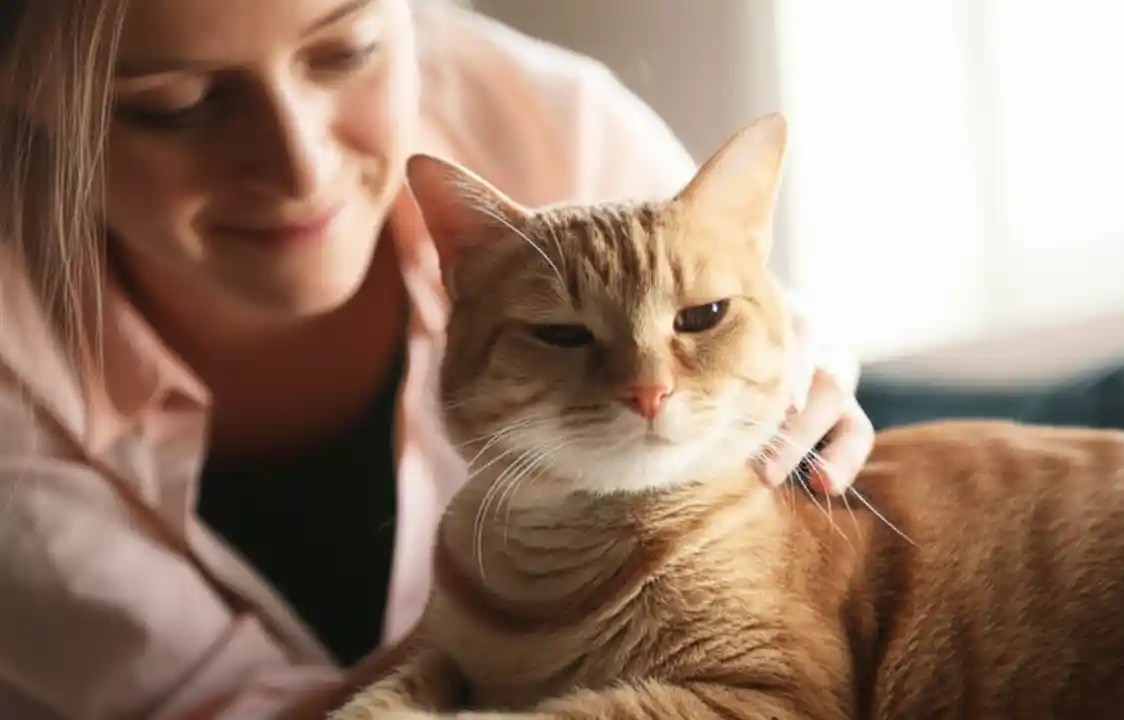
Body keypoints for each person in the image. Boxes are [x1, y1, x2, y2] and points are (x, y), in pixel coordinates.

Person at [0, 1, 873, 717]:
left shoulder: (546, 118)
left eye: (347, 50)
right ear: (17, 90)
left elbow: (762, 316)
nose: (300, 167)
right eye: (177, 104)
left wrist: (805, 376)